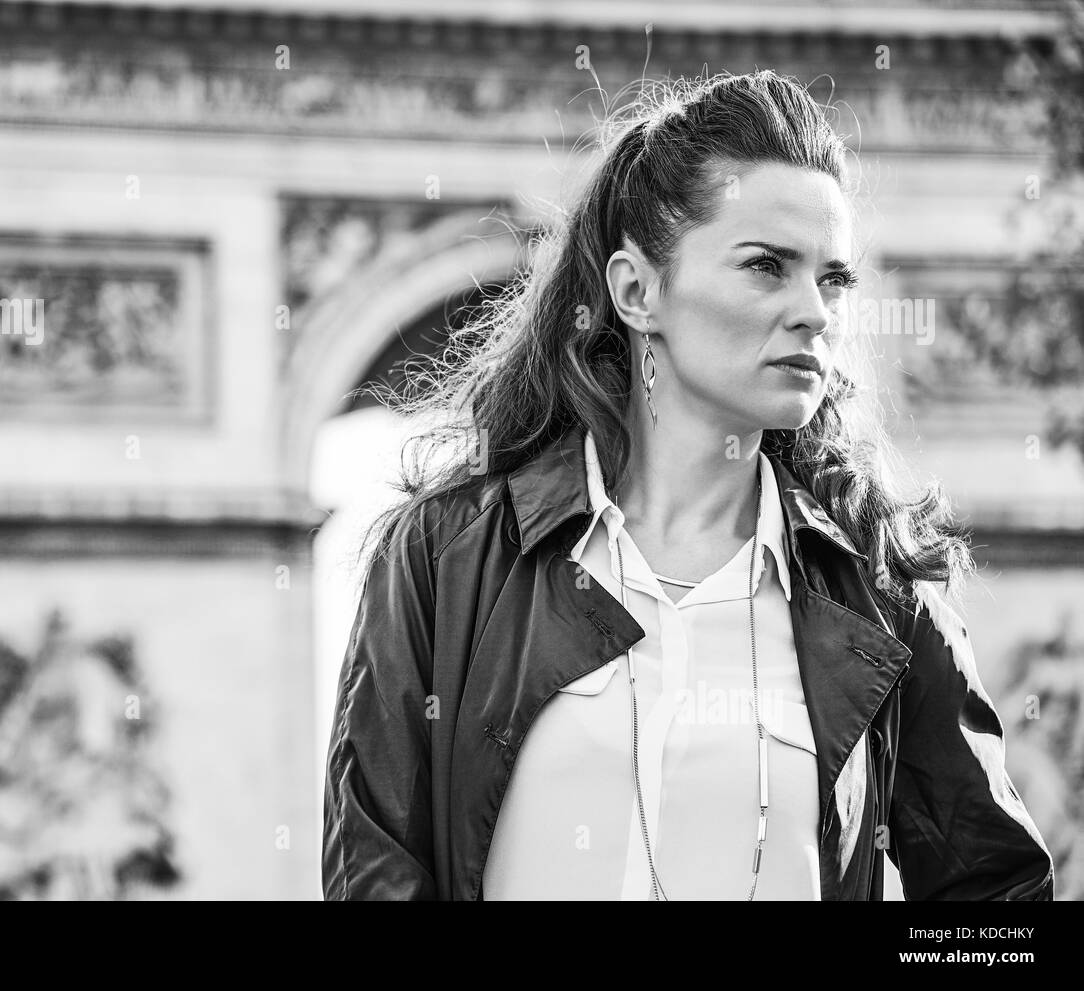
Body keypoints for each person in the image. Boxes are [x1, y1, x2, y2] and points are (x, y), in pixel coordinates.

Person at [321, 70, 1054, 900]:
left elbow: (998, 900)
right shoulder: (444, 560)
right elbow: (374, 874)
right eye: (767, 266)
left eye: (834, 278)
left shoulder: (878, 592)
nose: (814, 309)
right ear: (637, 291)